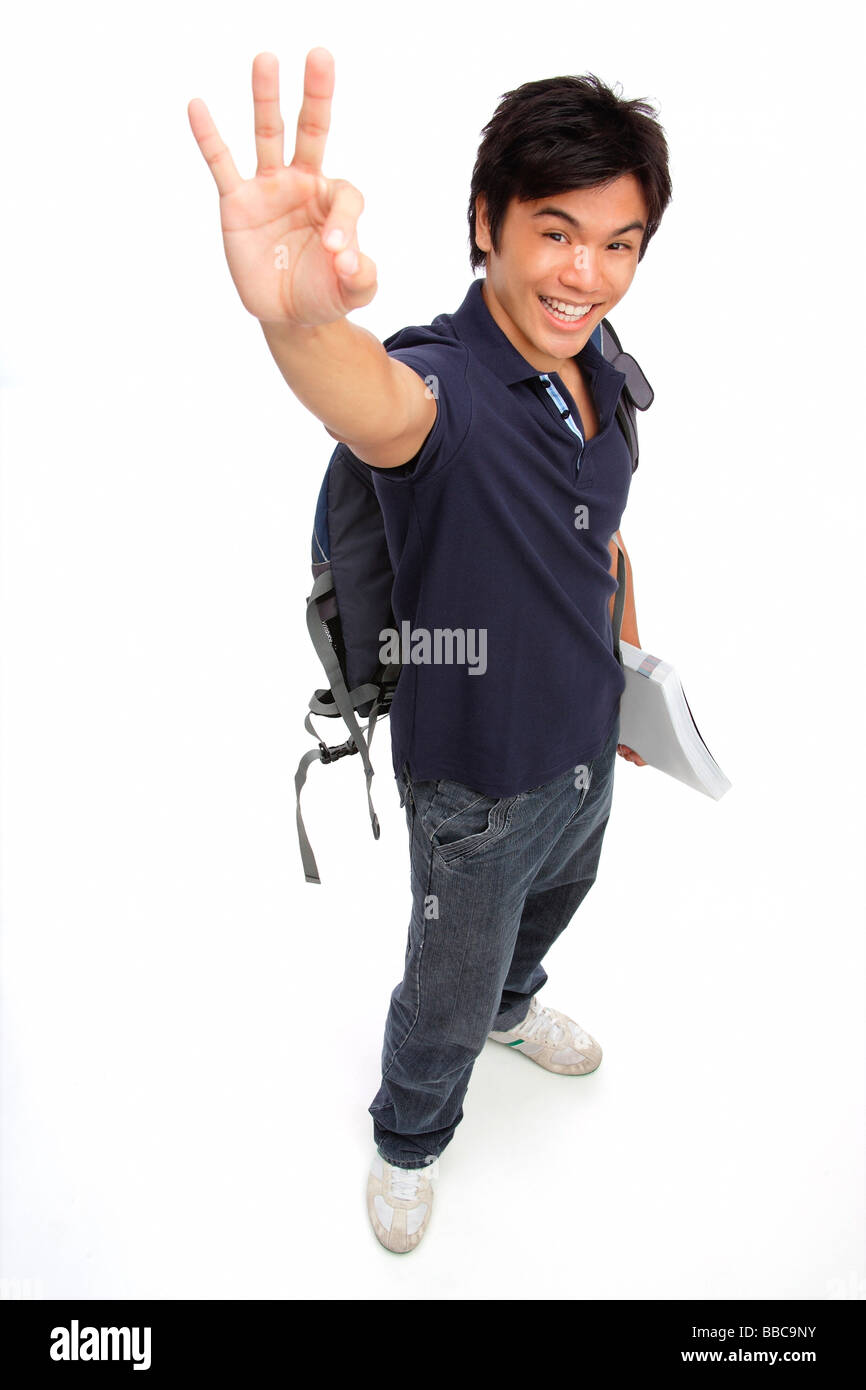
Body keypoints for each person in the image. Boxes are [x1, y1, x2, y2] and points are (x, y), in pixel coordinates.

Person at [189, 46, 671, 1255]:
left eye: (617, 244)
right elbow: (369, 398)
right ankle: (409, 1133)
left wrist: (630, 672)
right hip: (474, 782)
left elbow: (603, 539)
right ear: (485, 223)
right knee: (443, 987)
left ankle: (517, 1007)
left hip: (582, 748)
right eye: (556, 233)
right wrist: (296, 319)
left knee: (555, 906)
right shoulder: (440, 391)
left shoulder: (599, 369)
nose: (587, 274)